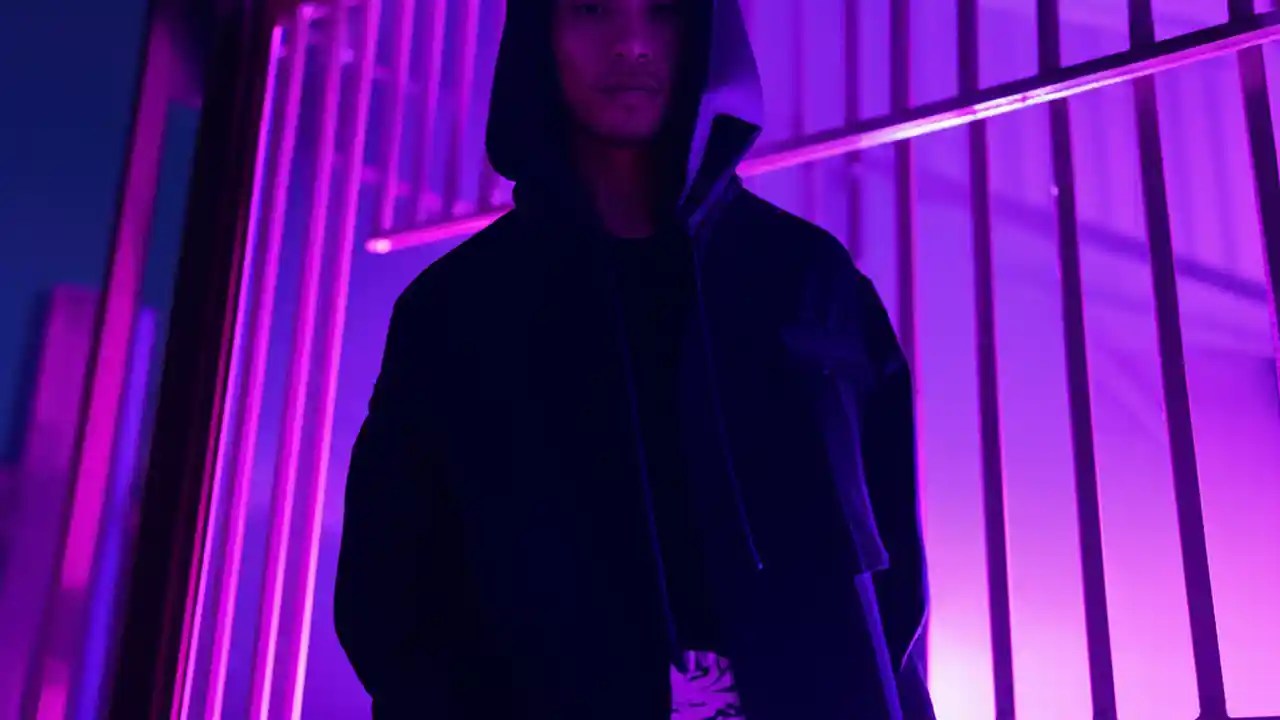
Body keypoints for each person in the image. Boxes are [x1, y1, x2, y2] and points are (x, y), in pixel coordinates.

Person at [334, 1, 935, 718]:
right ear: (539, 34)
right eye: (591, 10)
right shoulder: (455, 314)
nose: (630, 43)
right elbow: (392, 597)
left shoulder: (812, 287)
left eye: (663, 15)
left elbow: (893, 584)